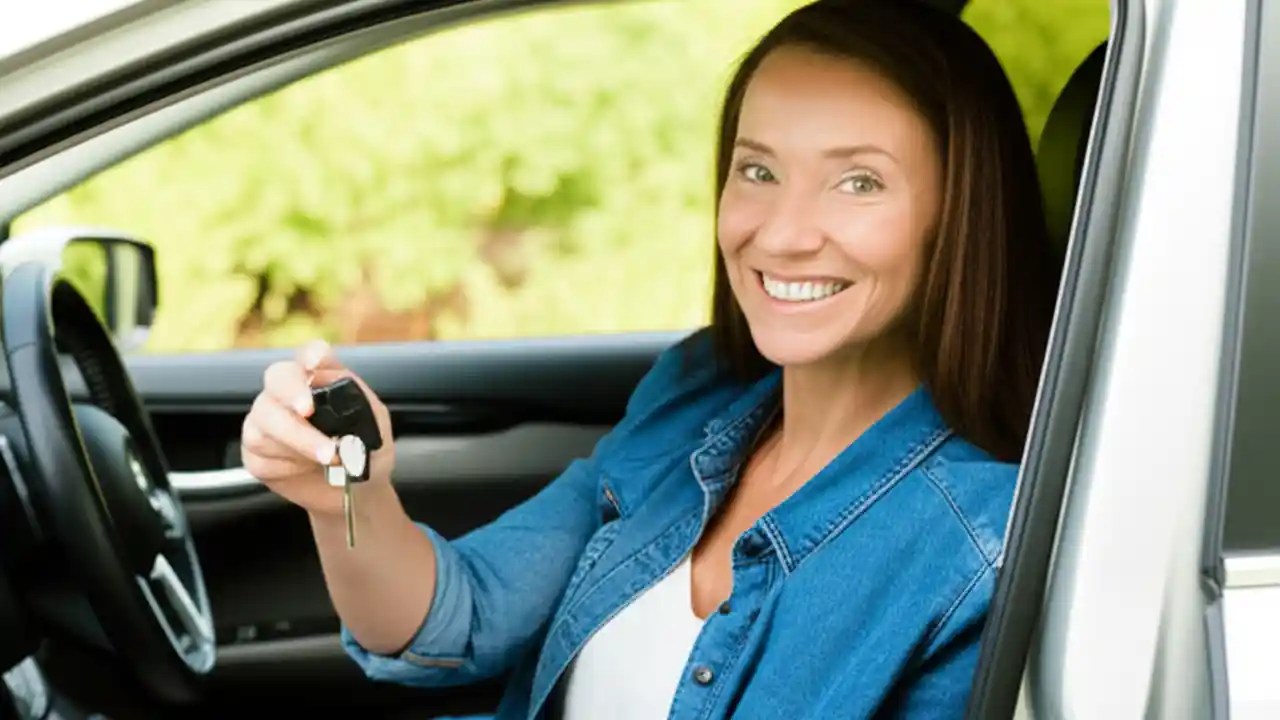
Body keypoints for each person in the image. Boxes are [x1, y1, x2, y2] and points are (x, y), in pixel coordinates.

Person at [238, 0, 1061, 717]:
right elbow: (459, 617)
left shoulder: (980, 549)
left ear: (959, 216)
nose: (781, 232)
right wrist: (345, 496)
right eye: (758, 170)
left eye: (858, 184)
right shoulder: (695, 396)